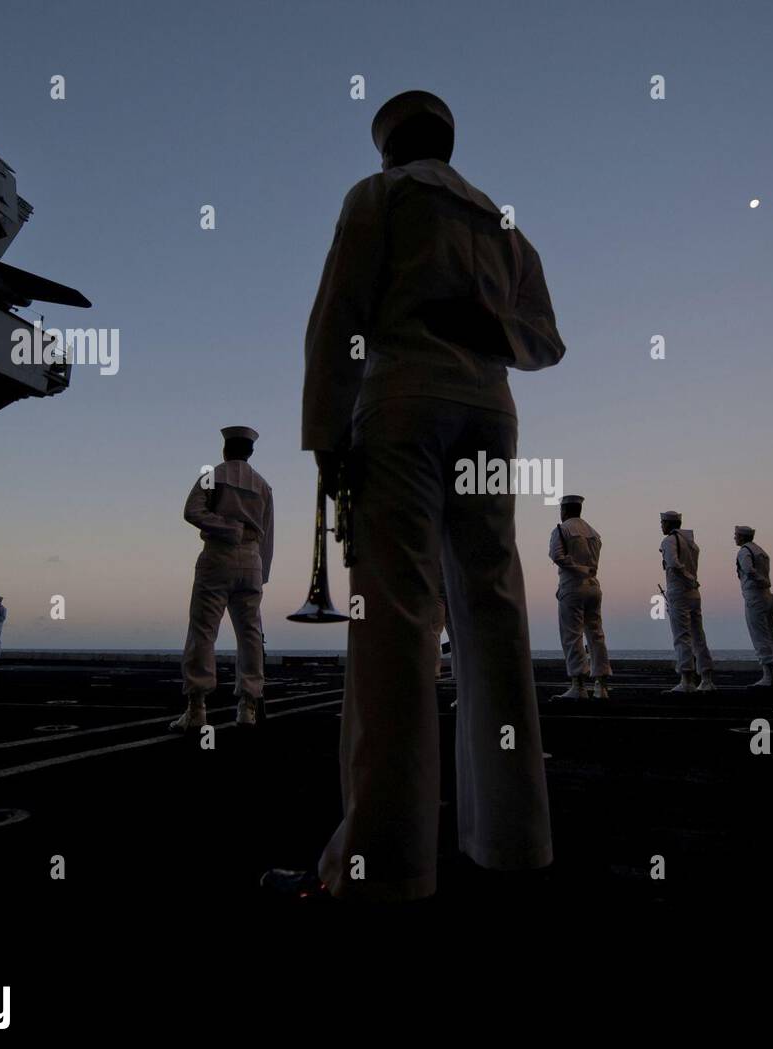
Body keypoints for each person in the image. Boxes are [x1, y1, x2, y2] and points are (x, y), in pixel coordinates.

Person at [267, 90, 563, 902]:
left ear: (388, 147)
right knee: (494, 607)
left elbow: (337, 315)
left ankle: (381, 866)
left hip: (400, 401)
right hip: (490, 413)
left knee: (396, 620)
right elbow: (546, 340)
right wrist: (484, 329)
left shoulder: (379, 195)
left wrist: (325, 436)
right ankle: (512, 840)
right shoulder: (503, 225)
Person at [171, 426, 274, 731]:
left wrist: (226, 527)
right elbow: (268, 535)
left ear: (225, 449)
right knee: (251, 633)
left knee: (203, 631)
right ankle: (248, 706)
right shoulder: (263, 485)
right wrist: (262, 572)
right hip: (252, 560)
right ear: (250, 452)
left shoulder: (212, 474)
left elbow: (192, 511)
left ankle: (197, 707)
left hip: (218, 557)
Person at [550, 494, 611, 699]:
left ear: (564, 510)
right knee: (596, 634)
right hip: (593, 586)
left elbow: (557, 556)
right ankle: (601, 684)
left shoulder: (561, 530)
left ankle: (578, 685)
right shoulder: (594, 533)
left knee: (572, 635)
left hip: (572, 586)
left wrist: (578, 569)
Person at [659, 510, 714, 692]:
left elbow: (673, 563)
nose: (661, 526)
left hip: (679, 591)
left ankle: (686, 679)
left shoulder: (668, 541)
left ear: (669, 523)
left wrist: (687, 577)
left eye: (662, 522)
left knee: (681, 636)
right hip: (693, 593)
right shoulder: (691, 543)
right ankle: (706, 677)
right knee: (699, 636)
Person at [734, 526, 773, 687]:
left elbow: (748, 570)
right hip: (767, 596)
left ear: (742, 537)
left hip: (755, 596)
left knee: (760, 636)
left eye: (736, 535)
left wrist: (760, 580)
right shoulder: (761, 551)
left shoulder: (744, 551)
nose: (734, 538)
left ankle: (768, 675)